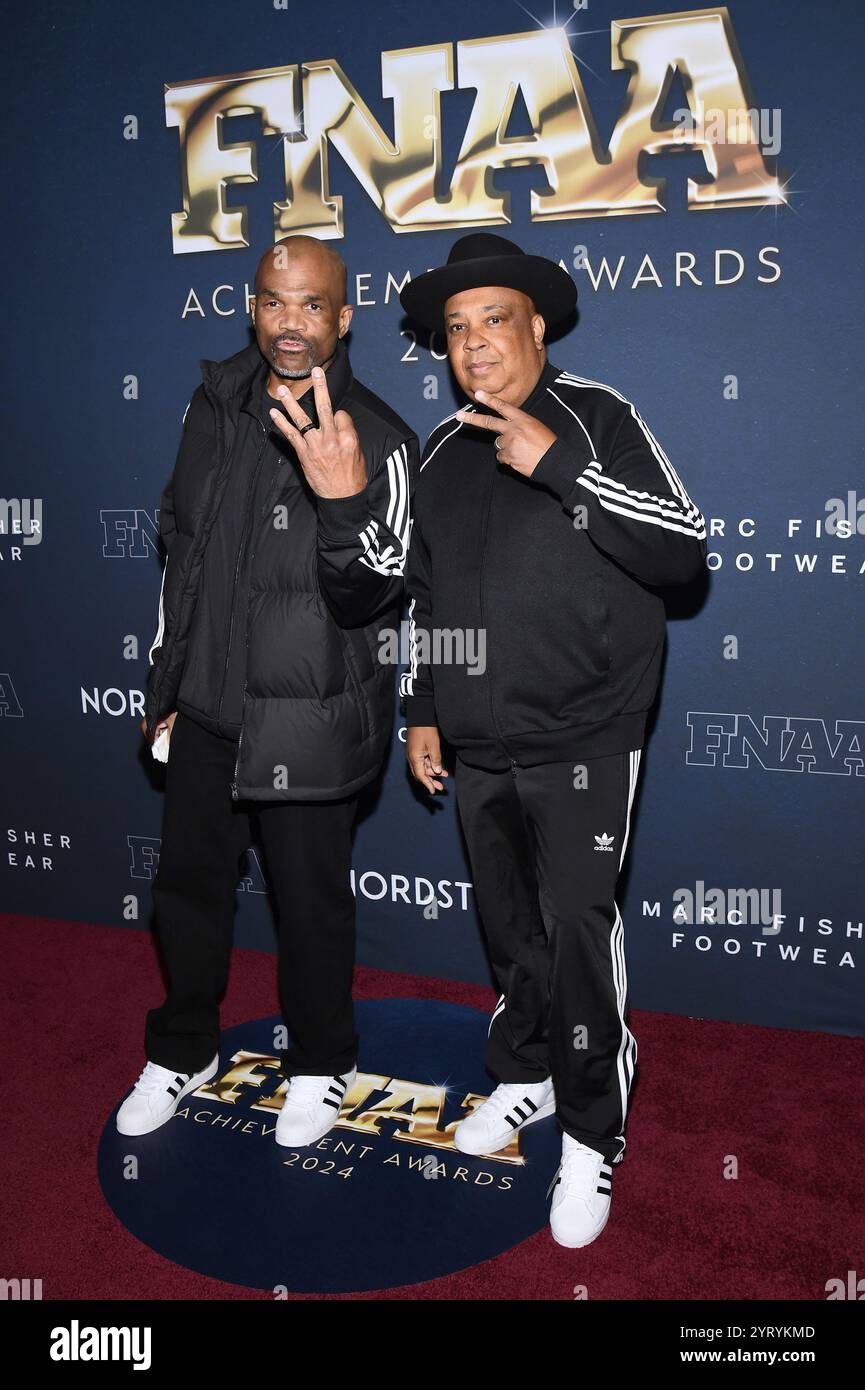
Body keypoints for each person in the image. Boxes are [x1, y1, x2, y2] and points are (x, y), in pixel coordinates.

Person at [399, 232, 706, 1248]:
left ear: (535, 325)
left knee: (579, 932)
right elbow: (431, 595)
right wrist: (424, 706)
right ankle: (524, 1072)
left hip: (587, 729)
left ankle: (590, 1132)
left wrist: (561, 465)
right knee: (511, 931)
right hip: (481, 738)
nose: (475, 345)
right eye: (456, 329)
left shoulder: (596, 416)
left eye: (494, 320)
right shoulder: (439, 452)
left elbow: (683, 548)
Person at [117, 234, 419, 1147]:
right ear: (253, 306)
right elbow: (182, 549)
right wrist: (167, 679)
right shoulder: (210, 406)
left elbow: (379, 590)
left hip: (310, 720)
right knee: (189, 889)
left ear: (344, 315)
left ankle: (324, 1065)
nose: (291, 323)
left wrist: (341, 500)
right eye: (274, 302)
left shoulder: (382, 433)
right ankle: (182, 1050)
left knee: (310, 903)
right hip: (206, 706)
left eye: (312, 305)